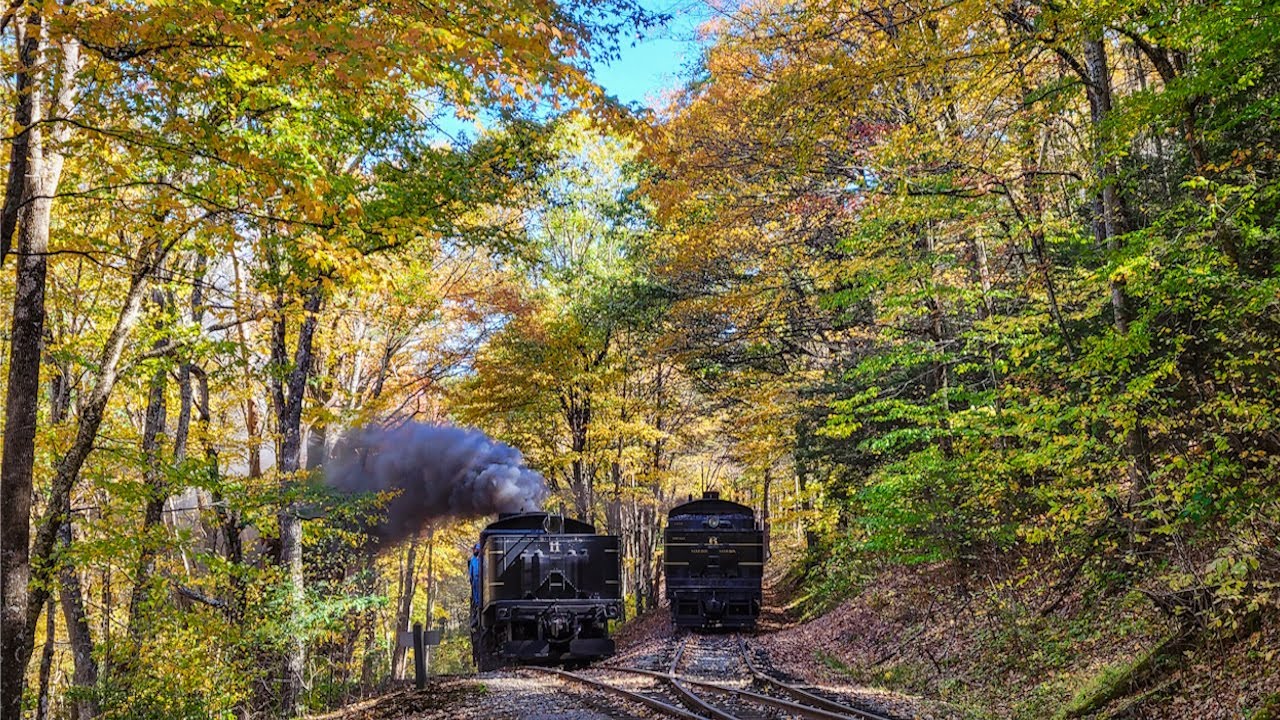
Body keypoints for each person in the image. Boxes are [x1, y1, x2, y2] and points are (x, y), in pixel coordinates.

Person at [468, 543, 482, 622]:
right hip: (475, 578)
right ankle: (477, 604)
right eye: (475, 549)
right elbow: (471, 571)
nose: (475, 551)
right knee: (476, 591)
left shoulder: (483, 558)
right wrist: (471, 579)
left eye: (476, 549)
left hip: (481, 578)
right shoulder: (473, 559)